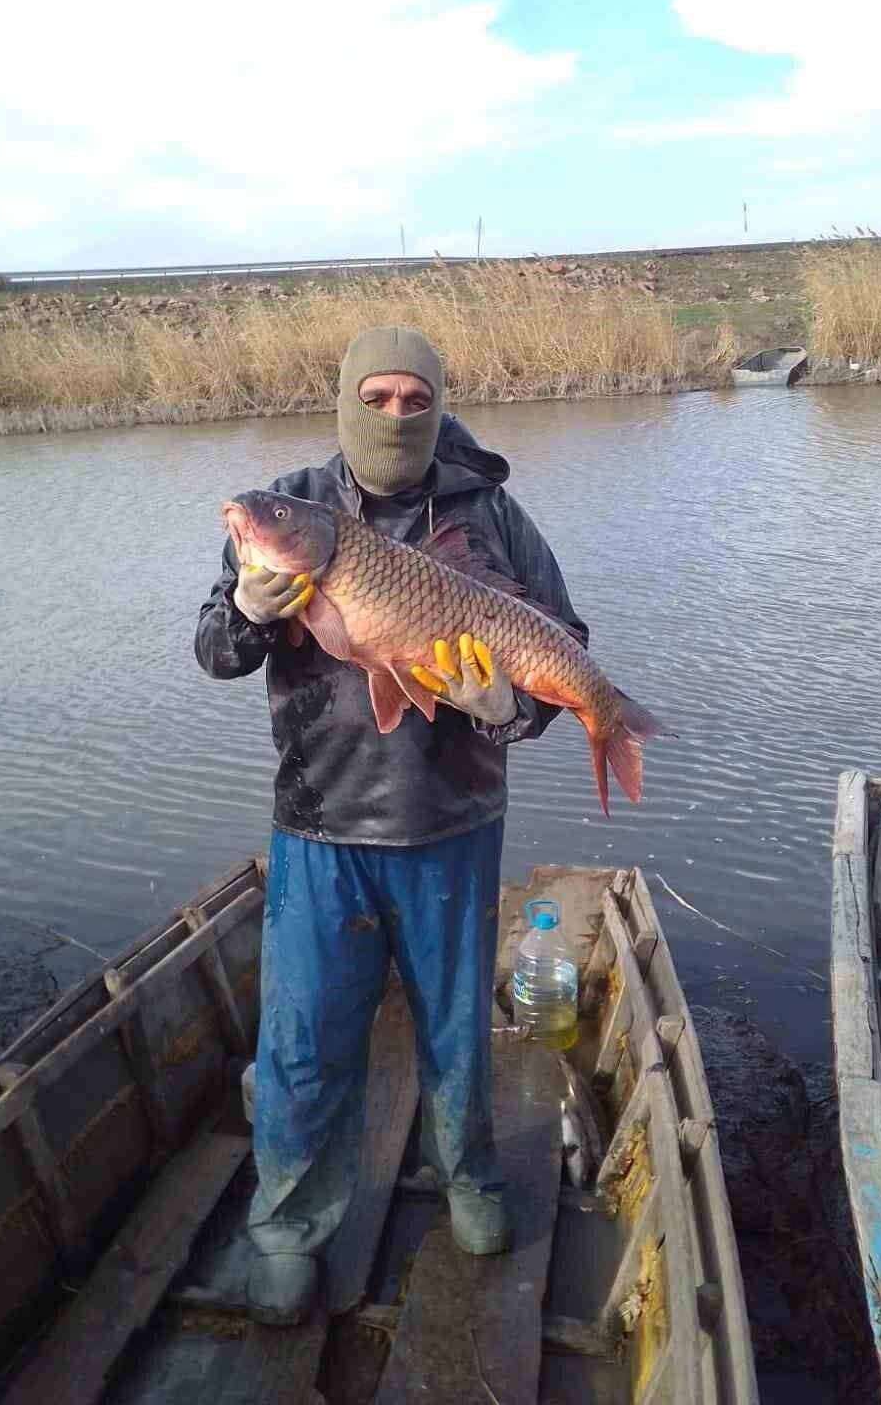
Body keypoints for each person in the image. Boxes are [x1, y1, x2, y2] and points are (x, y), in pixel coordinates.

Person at [194, 325, 588, 1325]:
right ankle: (286, 1227)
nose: (397, 414)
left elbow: (565, 642)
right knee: (304, 1039)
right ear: (344, 401)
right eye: (378, 395)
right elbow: (213, 650)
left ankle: (471, 1179)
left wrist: (512, 710)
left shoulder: (491, 511)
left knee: (458, 1030)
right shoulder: (292, 509)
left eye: (417, 398)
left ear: (439, 402)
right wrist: (246, 605)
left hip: (453, 821)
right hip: (319, 822)